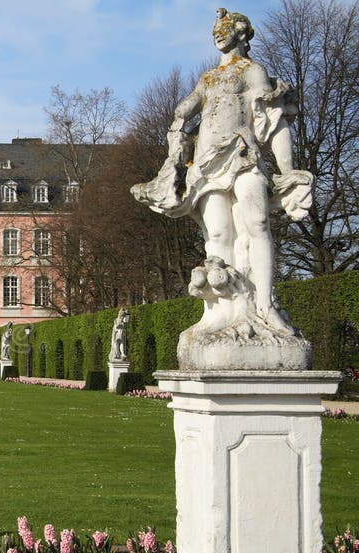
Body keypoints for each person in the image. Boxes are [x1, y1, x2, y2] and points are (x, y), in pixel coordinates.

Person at [132, 8, 312, 335]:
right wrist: (179, 122)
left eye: (225, 27)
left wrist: (286, 169)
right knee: (218, 235)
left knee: (256, 223)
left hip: (243, 153)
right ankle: (222, 311)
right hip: (207, 164)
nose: (218, 32)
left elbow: (274, 120)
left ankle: (264, 305)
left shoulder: (252, 71)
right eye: (216, 28)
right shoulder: (208, 78)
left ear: (241, 33)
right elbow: (184, 108)